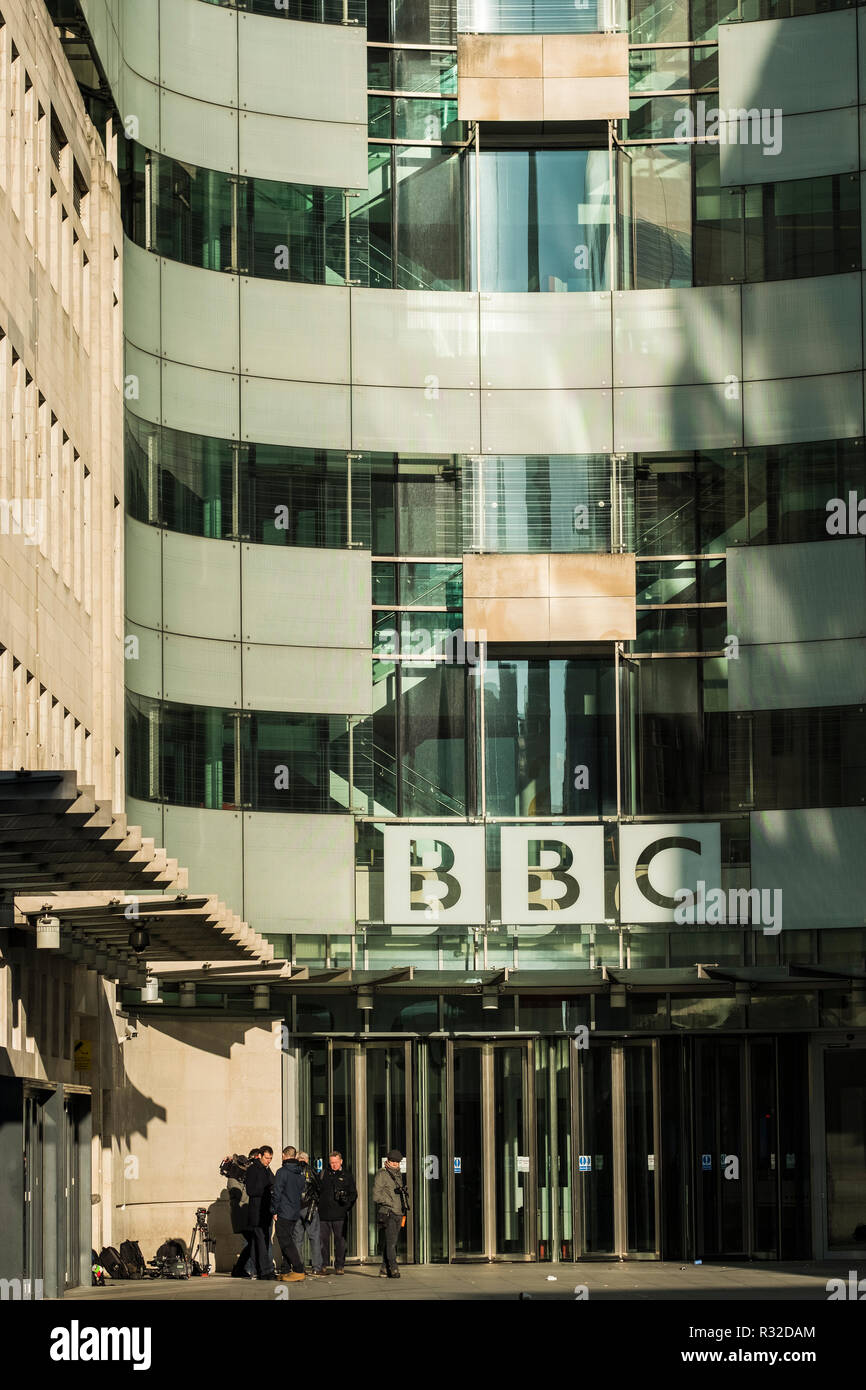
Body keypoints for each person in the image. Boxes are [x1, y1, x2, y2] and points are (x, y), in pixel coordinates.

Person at [271, 1145, 307, 1282]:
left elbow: (277, 1193)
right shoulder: (299, 1172)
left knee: (285, 1241)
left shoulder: (282, 1172)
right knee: (289, 1240)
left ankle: (298, 1268)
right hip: (294, 1211)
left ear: (284, 1155)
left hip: (284, 1212)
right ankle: (287, 1269)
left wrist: (274, 1210)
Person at [318, 1150, 357, 1275]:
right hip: (323, 1215)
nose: (334, 1165)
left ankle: (339, 1266)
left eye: (336, 1162)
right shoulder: (323, 1174)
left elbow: (353, 1194)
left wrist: (346, 1206)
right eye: (332, 1162)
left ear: (341, 1161)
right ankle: (323, 1264)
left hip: (340, 1215)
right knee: (323, 1241)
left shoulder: (347, 1175)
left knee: (340, 1242)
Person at [372, 1149, 409, 1280]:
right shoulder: (382, 1174)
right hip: (388, 1213)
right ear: (387, 1161)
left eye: (397, 1162)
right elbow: (376, 1196)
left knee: (390, 1242)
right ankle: (393, 1268)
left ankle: (383, 1268)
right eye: (392, 1161)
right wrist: (390, 1202)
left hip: (399, 1212)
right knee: (391, 1243)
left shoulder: (398, 1174)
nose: (394, 1164)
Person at [243, 1144, 277, 1279]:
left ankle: (253, 1269)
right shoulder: (253, 1169)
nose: (268, 1160)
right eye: (267, 1158)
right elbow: (250, 1190)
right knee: (261, 1241)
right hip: (257, 1212)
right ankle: (265, 1271)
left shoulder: (267, 1169)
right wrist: (266, 1189)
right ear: (260, 1156)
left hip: (266, 1211)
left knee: (260, 1242)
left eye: (270, 1158)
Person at [226, 1148, 259, 1278]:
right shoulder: (233, 1180)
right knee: (252, 1242)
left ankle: (239, 1268)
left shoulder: (239, 1179)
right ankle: (239, 1268)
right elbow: (241, 1197)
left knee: (253, 1242)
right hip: (241, 1217)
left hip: (246, 1216)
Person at [293, 1151, 325, 1275]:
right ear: (306, 1160)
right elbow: (319, 1187)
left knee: (297, 1239)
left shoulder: (292, 1171)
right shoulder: (310, 1170)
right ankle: (316, 1267)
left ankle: (299, 1267)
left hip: (295, 1207)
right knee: (314, 1237)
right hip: (309, 1207)